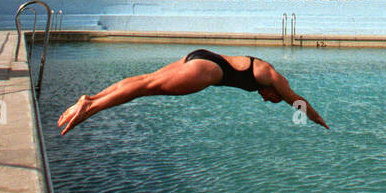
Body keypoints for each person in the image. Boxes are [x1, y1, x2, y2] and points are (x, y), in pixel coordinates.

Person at [57, 48, 330, 135]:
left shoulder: (261, 70)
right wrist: (318, 119)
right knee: (145, 88)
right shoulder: (271, 76)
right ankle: (90, 110)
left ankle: (91, 98)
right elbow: (296, 100)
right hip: (207, 72)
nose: (265, 99)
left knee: (145, 79)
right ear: (276, 91)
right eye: (270, 98)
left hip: (201, 56)